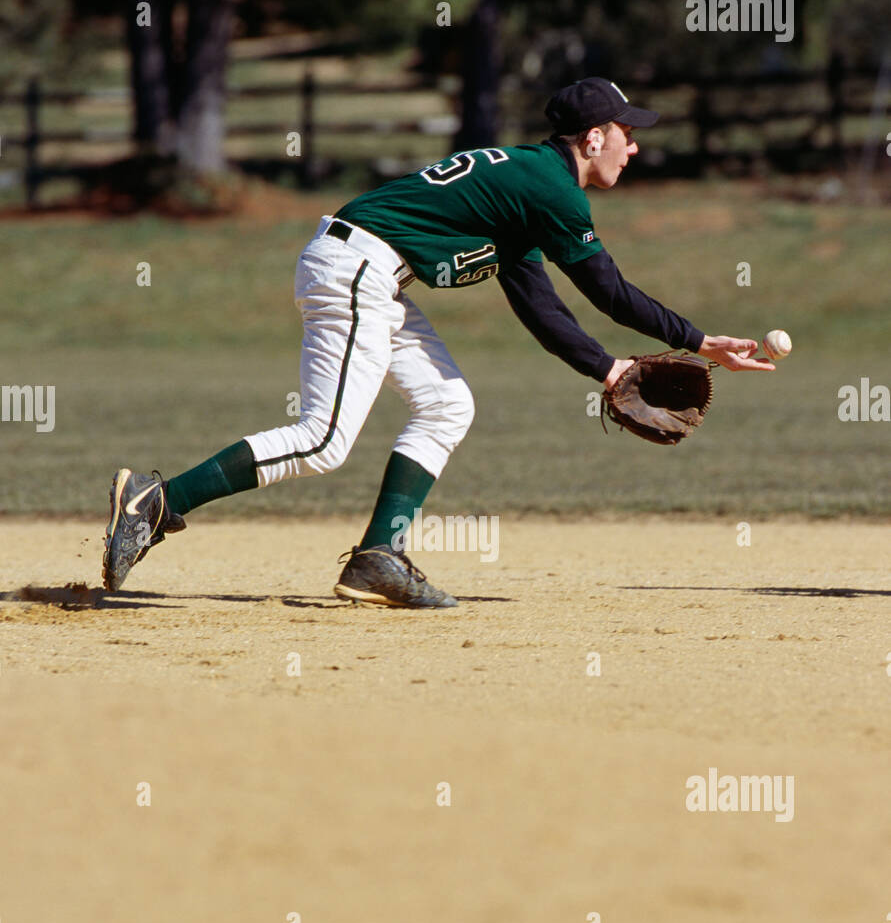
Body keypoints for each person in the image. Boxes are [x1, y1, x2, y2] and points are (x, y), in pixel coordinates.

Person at [102, 77, 772, 608]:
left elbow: (541, 307)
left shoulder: (527, 189)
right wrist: (699, 339)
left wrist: (605, 369)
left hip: (373, 274)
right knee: (323, 439)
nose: (634, 147)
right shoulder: (550, 190)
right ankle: (159, 501)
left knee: (447, 404)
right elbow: (608, 291)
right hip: (357, 268)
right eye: (626, 133)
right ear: (592, 136)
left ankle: (377, 560)